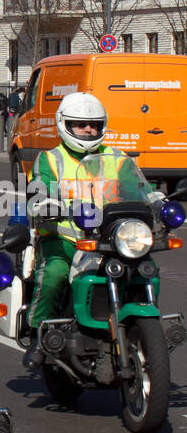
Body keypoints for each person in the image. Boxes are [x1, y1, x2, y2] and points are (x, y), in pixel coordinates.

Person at [24, 91, 154, 365]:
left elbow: (140, 188)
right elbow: (38, 193)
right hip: (66, 241)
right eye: (80, 124)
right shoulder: (50, 160)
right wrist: (46, 204)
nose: (88, 129)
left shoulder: (116, 158)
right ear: (64, 125)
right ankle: (38, 333)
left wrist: (159, 203)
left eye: (94, 125)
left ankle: (147, 331)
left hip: (111, 241)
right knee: (54, 276)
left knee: (146, 270)